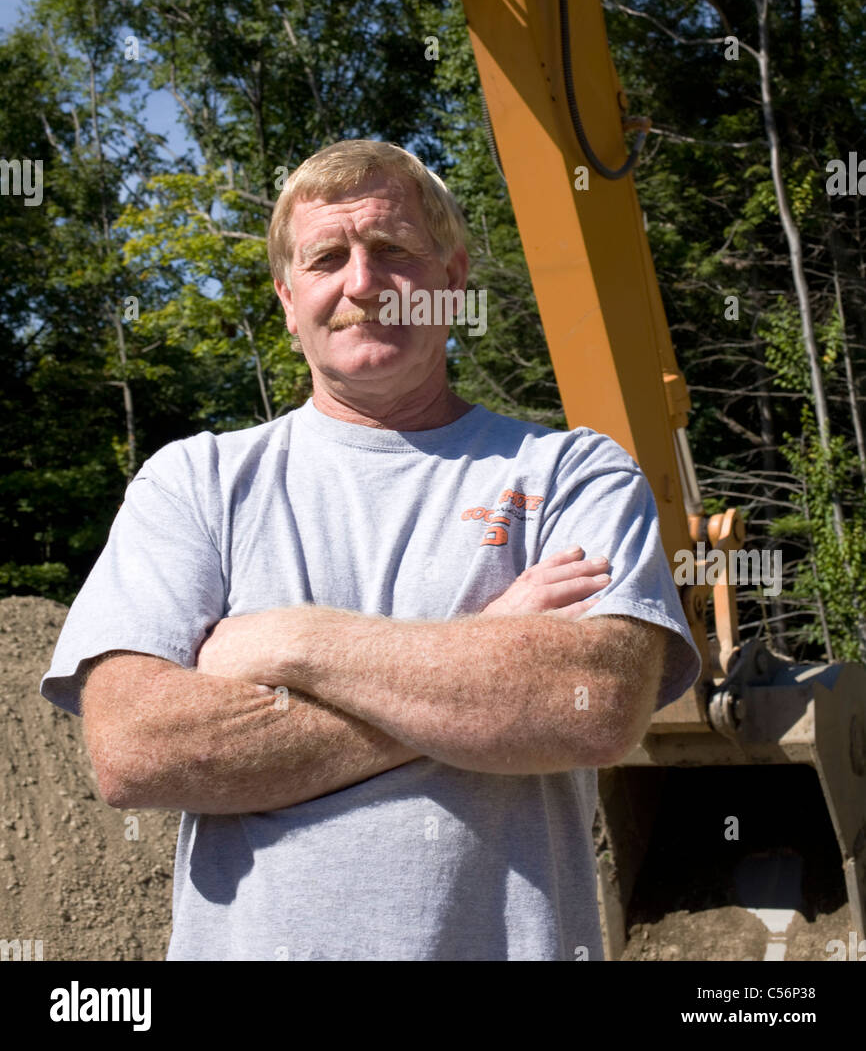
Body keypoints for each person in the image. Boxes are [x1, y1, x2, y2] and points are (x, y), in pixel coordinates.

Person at [41, 138, 701, 962]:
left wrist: (288, 644)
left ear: (452, 282)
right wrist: (487, 650)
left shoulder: (572, 470)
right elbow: (136, 749)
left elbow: (593, 702)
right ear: (288, 300)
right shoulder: (196, 483)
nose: (361, 283)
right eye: (326, 259)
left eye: (392, 250)